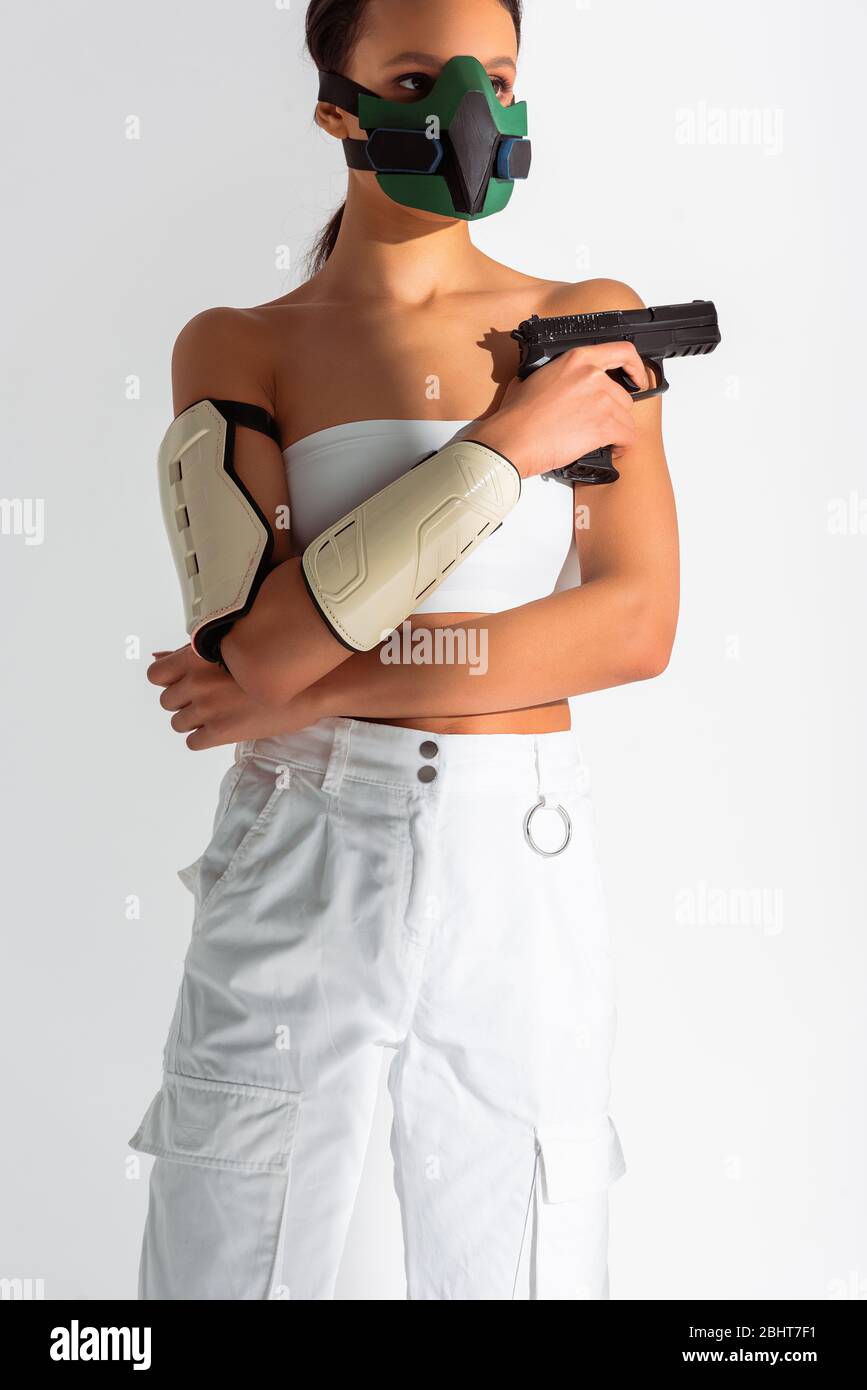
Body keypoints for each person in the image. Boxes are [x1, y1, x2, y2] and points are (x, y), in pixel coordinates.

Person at [128, 0, 679, 1300]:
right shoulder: (241, 342)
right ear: (339, 106)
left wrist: (304, 686)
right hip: (301, 841)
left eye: (496, 75)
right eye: (420, 76)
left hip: (515, 856)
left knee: (531, 1262)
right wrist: (510, 443)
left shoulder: (589, 322)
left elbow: (632, 624)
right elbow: (257, 647)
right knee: (226, 1259)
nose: (467, 111)